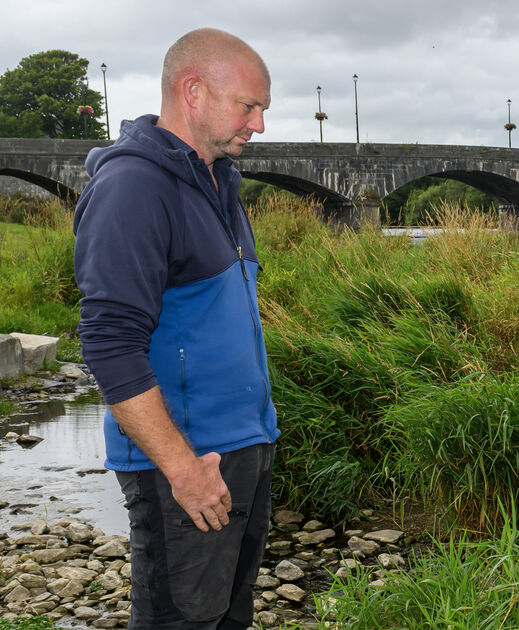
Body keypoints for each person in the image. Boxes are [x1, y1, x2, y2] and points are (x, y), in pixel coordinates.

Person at [74, 28, 278, 629]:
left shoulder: (219, 182)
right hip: (186, 461)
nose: (259, 125)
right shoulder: (133, 187)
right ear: (193, 91)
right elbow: (109, 341)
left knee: (225, 617)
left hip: (243, 447)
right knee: (181, 620)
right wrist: (184, 469)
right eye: (249, 106)